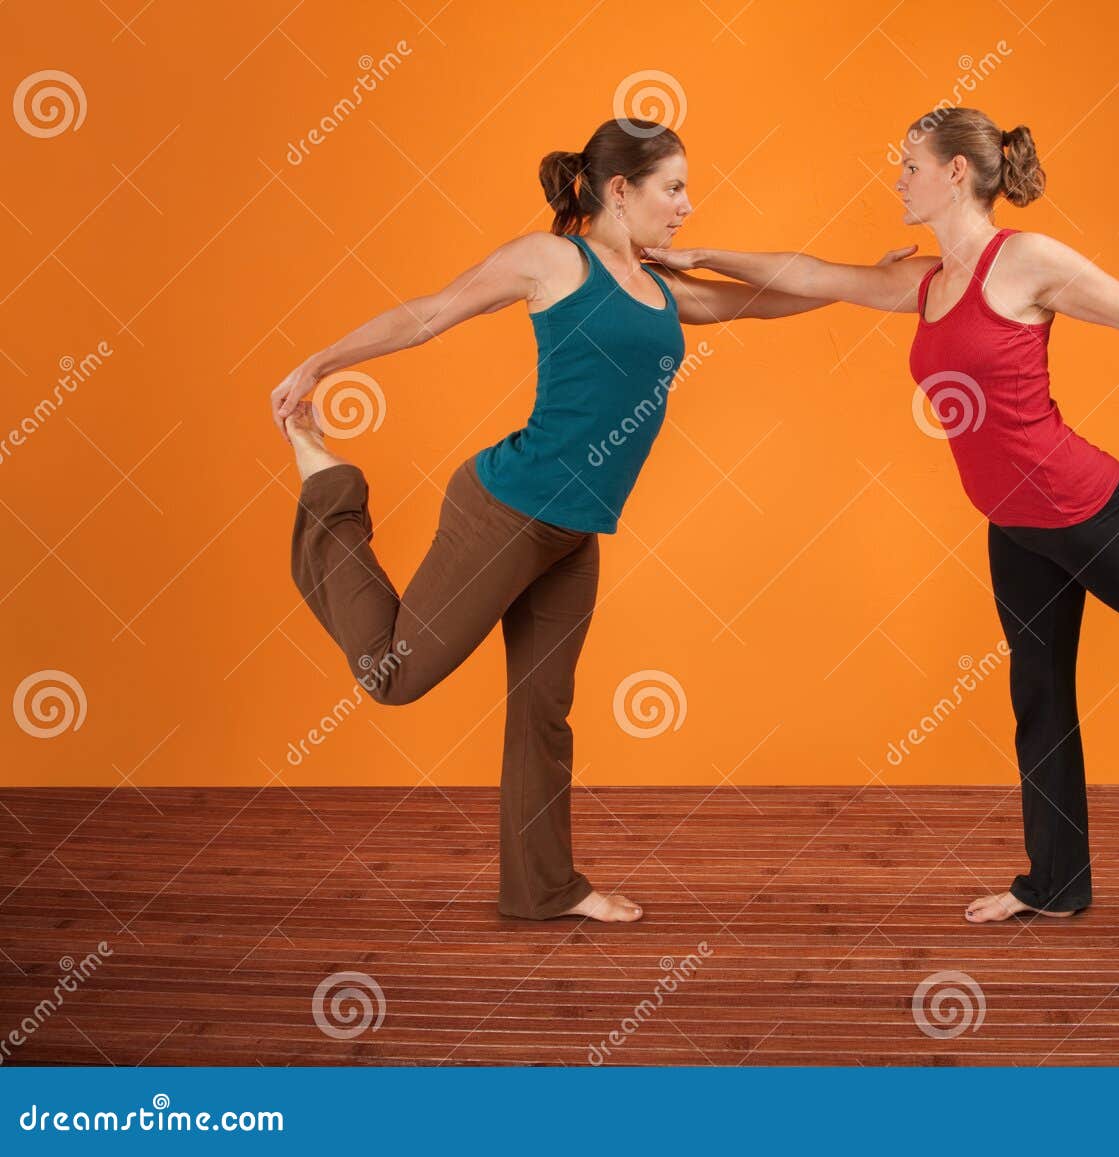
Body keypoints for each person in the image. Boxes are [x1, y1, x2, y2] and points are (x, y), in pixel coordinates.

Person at [644, 106, 1119, 924]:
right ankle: (1055, 885)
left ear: (956, 173)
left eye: (909, 163)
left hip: (1079, 506)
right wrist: (700, 255)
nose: (897, 178)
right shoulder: (928, 282)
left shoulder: (1025, 262)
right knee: (1040, 698)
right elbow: (815, 275)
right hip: (1013, 522)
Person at [267, 117, 898, 924]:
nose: (686, 204)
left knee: (544, 710)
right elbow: (432, 312)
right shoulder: (552, 261)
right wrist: (321, 363)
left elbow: (761, 304)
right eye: (673, 188)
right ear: (619, 190)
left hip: (574, 532)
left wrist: (858, 282)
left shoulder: (662, 287)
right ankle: (329, 488)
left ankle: (544, 887)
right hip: (506, 508)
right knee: (394, 677)